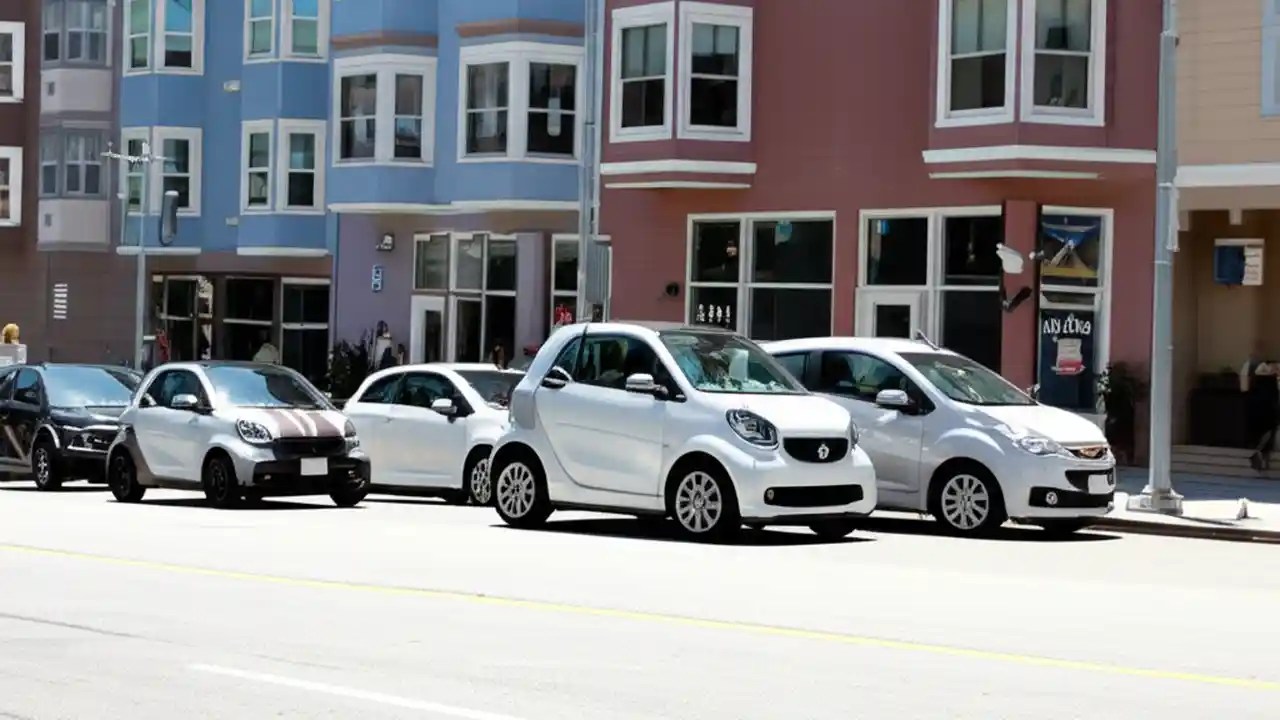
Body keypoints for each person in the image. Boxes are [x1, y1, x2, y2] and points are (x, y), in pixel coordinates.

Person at [1241, 345, 1279, 471]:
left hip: (1268, 409)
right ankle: (1261, 457)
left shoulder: (1264, 378)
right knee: (1268, 433)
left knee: (1269, 435)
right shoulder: (1266, 377)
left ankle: (1262, 459)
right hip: (1268, 410)